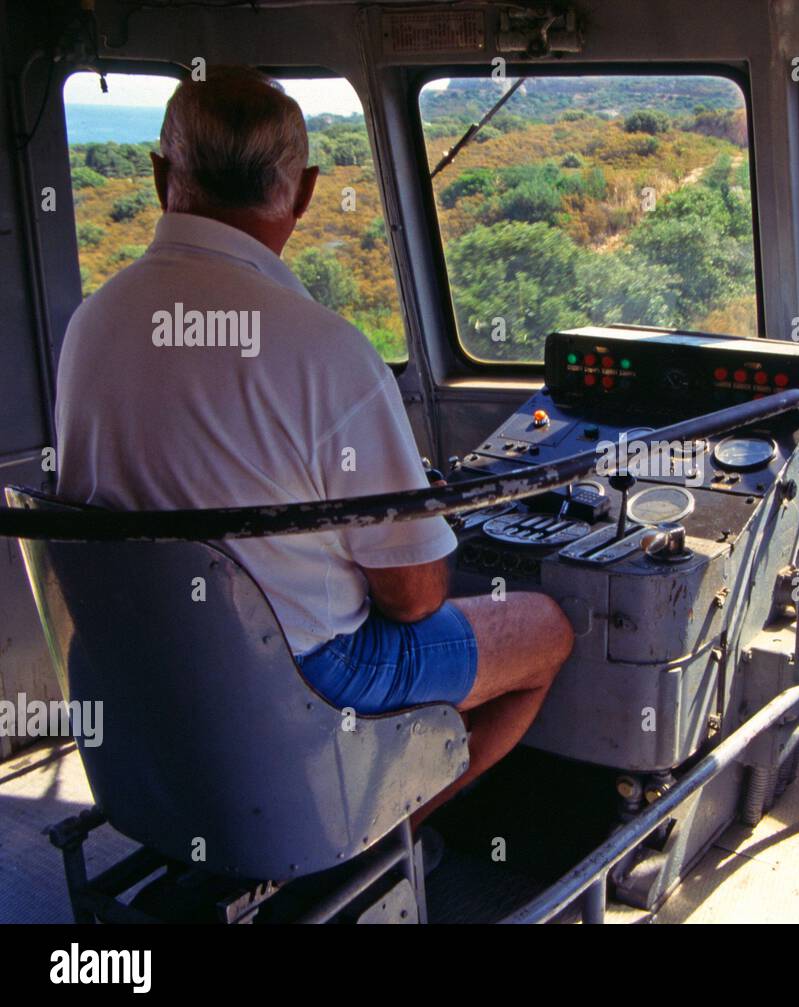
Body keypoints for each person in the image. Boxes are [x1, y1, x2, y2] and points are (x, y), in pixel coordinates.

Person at [54, 66, 573, 824]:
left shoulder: (88, 325)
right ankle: (374, 834)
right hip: (307, 676)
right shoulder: (327, 351)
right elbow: (415, 596)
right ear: (303, 192)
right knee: (546, 628)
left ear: (162, 173)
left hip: (137, 666)